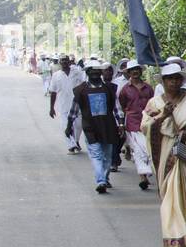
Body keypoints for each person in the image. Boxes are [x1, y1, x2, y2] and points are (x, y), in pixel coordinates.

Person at [141, 61, 186, 247]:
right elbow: (145, 127)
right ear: (163, 81)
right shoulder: (154, 104)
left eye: (176, 78)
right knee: (171, 194)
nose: (173, 82)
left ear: (181, 80)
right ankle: (181, 234)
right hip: (167, 152)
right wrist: (163, 115)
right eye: (169, 78)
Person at [73, 59, 123, 194]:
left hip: (108, 126)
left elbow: (115, 108)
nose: (94, 73)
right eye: (91, 71)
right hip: (90, 127)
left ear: (101, 72)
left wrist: (121, 124)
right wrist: (68, 126)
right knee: (96, 155)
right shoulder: (80, 90)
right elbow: (74, 109)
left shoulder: (109, 89)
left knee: (107, 156)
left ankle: (105, 178)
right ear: (87, 73)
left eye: (97, 71)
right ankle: (100, 181)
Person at [117, 61, 156, 190]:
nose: (135, 72)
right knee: (139, 150)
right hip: (132, 122)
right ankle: (143, 177)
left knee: (147, 148)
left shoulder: (148, 88)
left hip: (147, 122)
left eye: (137, 69)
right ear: (128, 72)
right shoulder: (125, 89)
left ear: (141, 71)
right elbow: (123, 106)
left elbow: (154, 103)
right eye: (132, 70)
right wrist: (122, 123)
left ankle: (145, 172)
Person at [48, 55, 87, 153]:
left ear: (69, 62)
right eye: (62, 60)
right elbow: (53, 92)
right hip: (63, 105)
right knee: (66, 126)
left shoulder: (77, 72)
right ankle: (71, 145)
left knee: (78, 126)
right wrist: (51, 108)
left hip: (77, 105)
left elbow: (84, 84)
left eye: (66, 60)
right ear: (60, 63)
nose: (64, 62)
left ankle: (76, 141)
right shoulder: (56, 75)